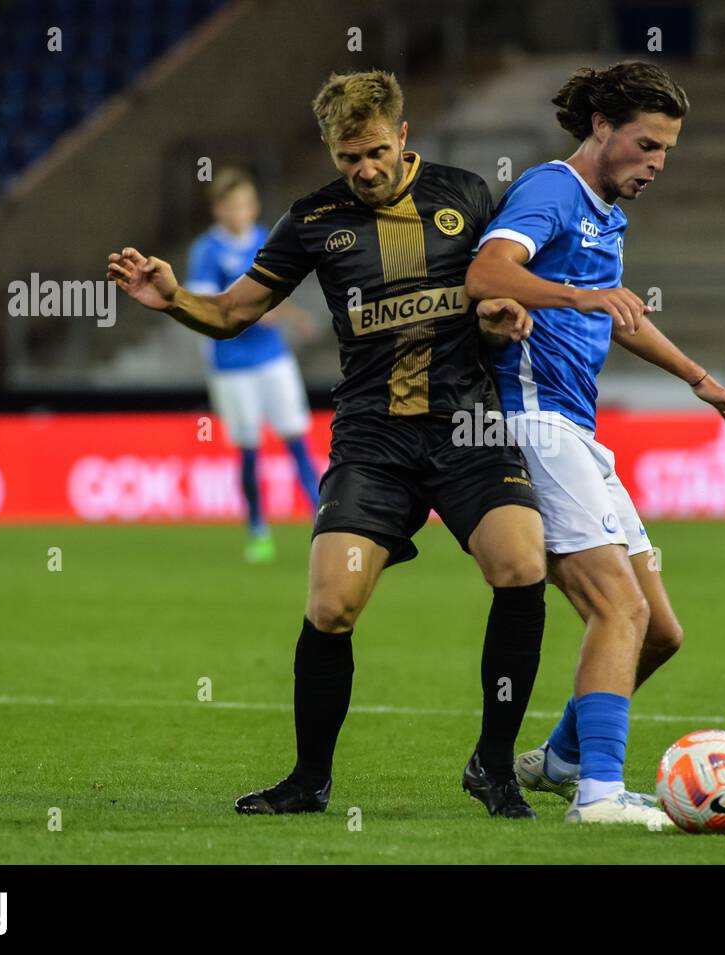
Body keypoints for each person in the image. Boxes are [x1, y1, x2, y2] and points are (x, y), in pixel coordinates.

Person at [109, 70, 548, 818]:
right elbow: (230, 313)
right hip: (373, 438)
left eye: (376, 151)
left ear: (403, 135)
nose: (365, 170)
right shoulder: (312, 219)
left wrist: (500, 313)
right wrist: (173, 296)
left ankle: (495, 765)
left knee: (521, 564)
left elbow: (501, 287)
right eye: (349, 159)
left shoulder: (467, 195)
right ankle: (309, 780)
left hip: (468, 426)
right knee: (332, 605)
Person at [467, 62, 725, 824]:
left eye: (667, 150)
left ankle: (563, 759)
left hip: (577, 431)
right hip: (534, 425)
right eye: (647, 144)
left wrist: (697, 376)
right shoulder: (551, 190)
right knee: (619, 610)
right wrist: (576, 294)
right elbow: (487, 272)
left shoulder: (605, 212)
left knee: (659, 632)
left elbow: (617, 312)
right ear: (602, 126)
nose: (657, 165)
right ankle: (597, 794)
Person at [185, 167, 319, 562]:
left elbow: (276, 289)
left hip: (272, 357)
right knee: (249, 447)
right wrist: (250, 313)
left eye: (244, 204)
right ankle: (258, 527)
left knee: (295, 435)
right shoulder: (206, 251)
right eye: (231, 205)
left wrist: (289, 314)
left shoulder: (265, 238)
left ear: (254, 205)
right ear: (218, 210)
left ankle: (321, 519)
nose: (239, 212)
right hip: (232, 365)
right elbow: (205, 304)